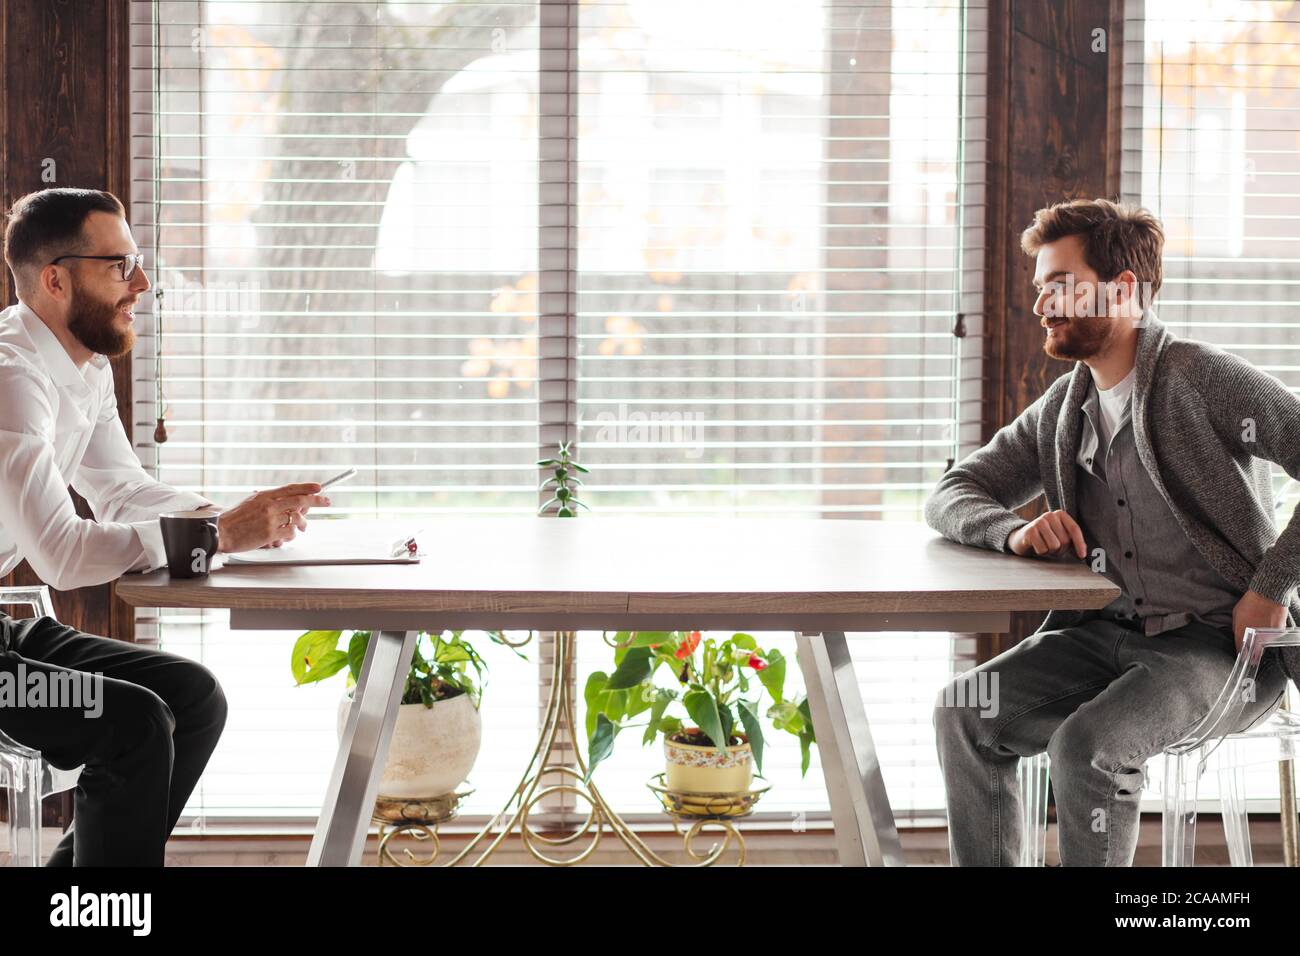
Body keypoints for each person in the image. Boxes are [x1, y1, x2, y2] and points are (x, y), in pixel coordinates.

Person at [926, 198, 1300, 866]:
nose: (1041, 305)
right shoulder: (1065, 407)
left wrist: (1271, 588)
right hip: (1103, 639)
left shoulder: (1200, 377)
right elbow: (954, 492)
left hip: (1221, 653)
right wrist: (1012, 532)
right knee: (963, 714)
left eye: (1059, 285)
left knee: (1086, 745)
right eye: (1039, 289)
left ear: (1124, 289)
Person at [0, 187, 330, 865]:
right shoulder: (12, 378)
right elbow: (61, 555)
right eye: (119, 265)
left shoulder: (79, 367)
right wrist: (215, 539)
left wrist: (234, 519)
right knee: (136, 723)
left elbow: (121, 490)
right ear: (56, 279)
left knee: (193, 698)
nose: (142, 284)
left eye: (138, 262)